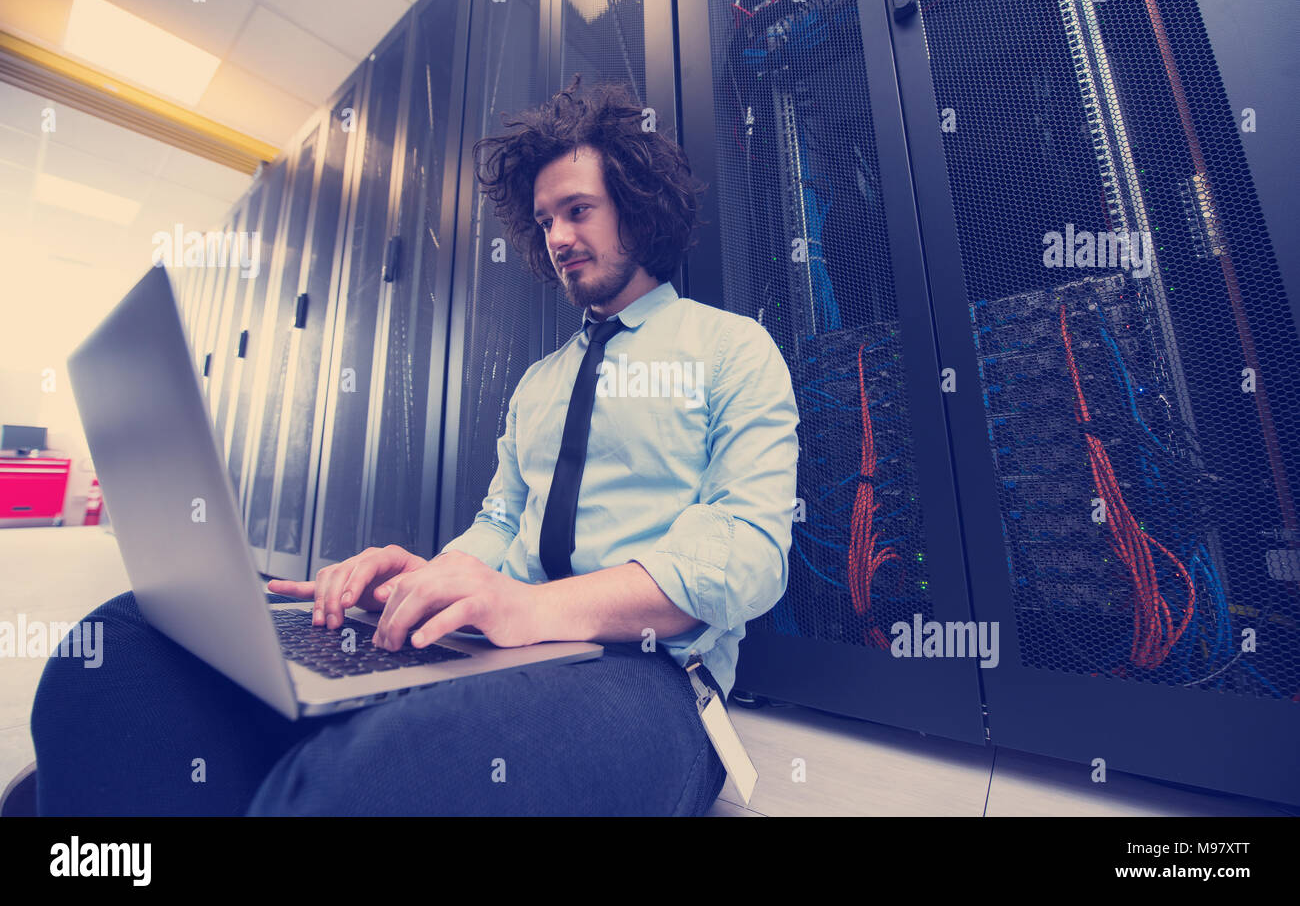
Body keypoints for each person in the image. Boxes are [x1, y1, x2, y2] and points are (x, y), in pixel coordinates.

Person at [29, 76, 799, 816]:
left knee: (367, 782)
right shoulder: (538, 384)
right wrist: (424, 581)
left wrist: (531, 608)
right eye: (543, 221)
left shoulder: (732, 350)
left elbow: (747, 553)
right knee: (121, 645)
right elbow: (500, 526)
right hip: (498, 648)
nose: (558, 237)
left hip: (650, 677)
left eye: (578, 210)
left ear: (635, 205)